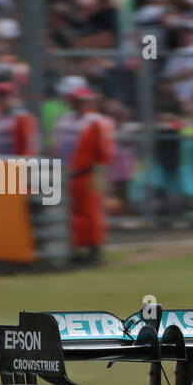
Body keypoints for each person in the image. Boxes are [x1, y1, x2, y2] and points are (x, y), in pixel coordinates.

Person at [68, 86, 115, 264]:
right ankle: (78, 246)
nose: (79, 105)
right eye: (76, 101)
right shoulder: (68, 120)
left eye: (82, 101)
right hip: (70, 173)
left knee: (91, 212)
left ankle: (94, 249)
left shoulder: (98, 122)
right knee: (74, 213)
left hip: (90, 173)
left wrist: (100, 175)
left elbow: (105, 151)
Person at [0, 82, 38, 156]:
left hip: (17, 163)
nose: (3, 99)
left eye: (6, 95)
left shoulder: (23, 117)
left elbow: (30, 145)